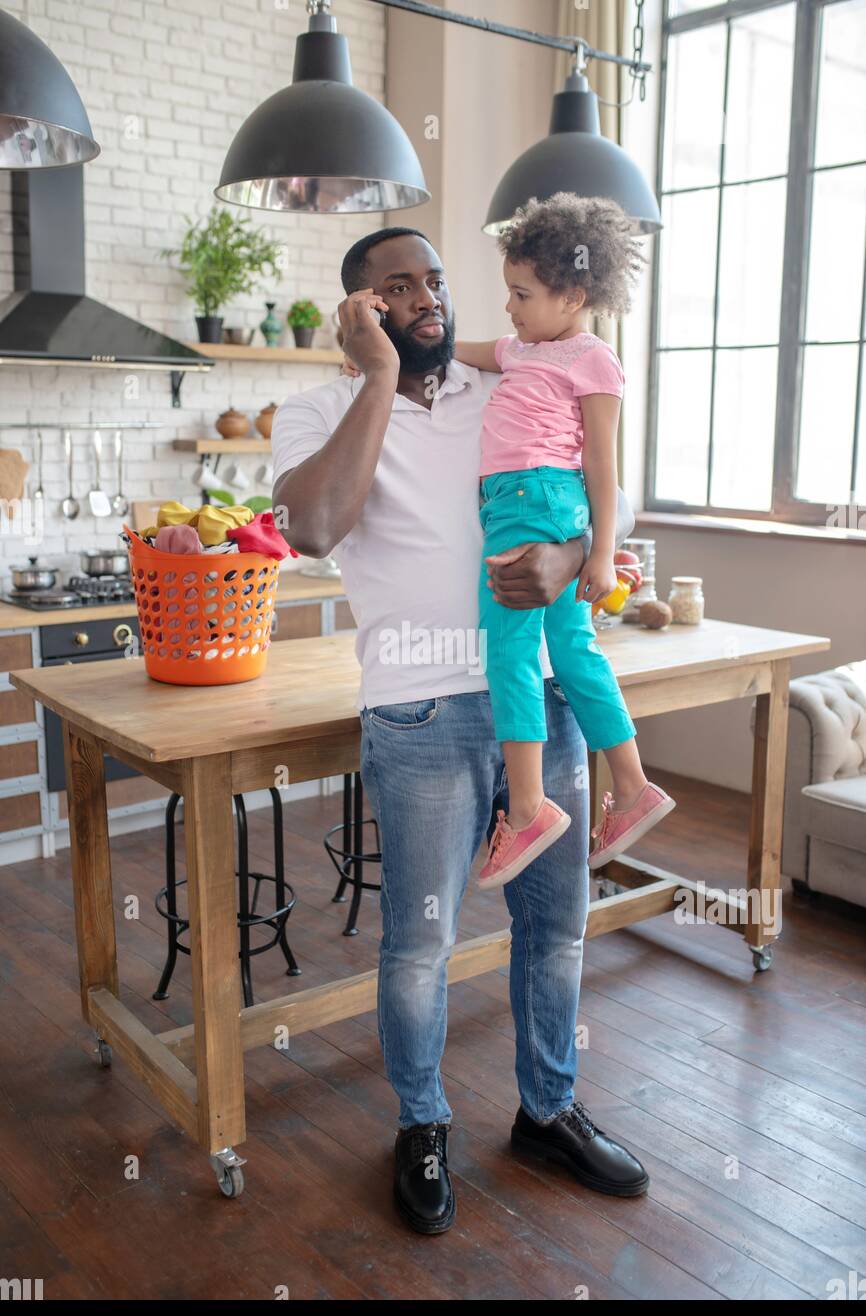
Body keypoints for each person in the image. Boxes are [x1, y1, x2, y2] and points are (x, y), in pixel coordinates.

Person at [272, 226, 649, 1236]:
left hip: (538, 703)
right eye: (397, 286)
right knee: (419, 945)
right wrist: (378, 377)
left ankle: (546, 1107)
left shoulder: (503, 379)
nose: (428, 295)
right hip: (421, 713)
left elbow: (599, 490)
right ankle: (423, 1122)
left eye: (434, 278)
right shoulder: (317, 408)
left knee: (554, 927)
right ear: (359, 308)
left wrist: (574, 560)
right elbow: (310, 526)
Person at [453, 194, 675, 891]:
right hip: (531, 501)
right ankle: (633, 785)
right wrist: (397, 355)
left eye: (522, 294)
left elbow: (604, 467)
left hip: (533, 500)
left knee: (510, 650)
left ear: (574, 294)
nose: (511, 308)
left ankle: (525, 809)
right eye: (508, 292)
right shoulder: (524, 348)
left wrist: (601, 552)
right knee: (572, 650)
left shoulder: (591, 359)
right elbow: (467, 349)